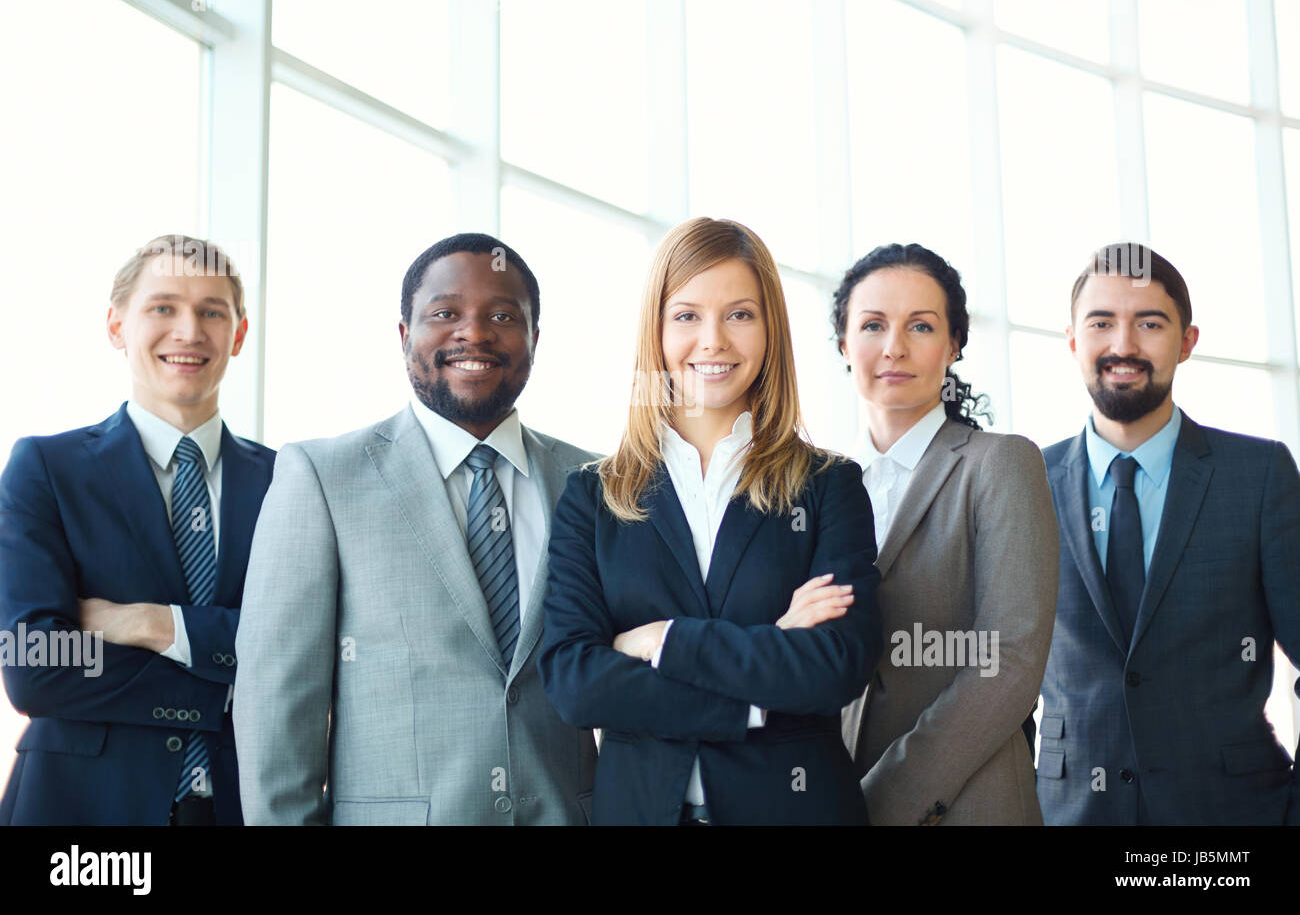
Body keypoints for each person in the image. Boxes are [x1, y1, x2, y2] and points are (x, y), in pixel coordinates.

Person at [234, 233, 597, 825]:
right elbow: (277, 701)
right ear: (404, 335)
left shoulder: (596, 483)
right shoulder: (322, 478)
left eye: (503, 316)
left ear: (535, 337)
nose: (474, 333)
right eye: (445, 313)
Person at [539, 217, 882, 825]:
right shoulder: (593, 496)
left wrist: (659, 641)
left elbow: (835, 668)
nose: (713, 340)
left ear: (770, 329)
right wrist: (767, 660)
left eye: (740, 314)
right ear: (656, 331)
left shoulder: (829, 485)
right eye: (687, 315)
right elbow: (575, 683)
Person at [0, 235, 274, 825]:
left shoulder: (291, 483)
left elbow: (313, 649)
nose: (188, 331)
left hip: (244, 808)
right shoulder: (48, 469)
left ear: (239, 335)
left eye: (211, 312)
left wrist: (149, 624)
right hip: (79, 814)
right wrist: (229, 683)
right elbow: (35, 665)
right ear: (116, 326)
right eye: (163, 307)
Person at [1038, 242, 1300, 825]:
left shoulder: (1259, 476)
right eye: (1101, 323)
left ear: (1186, 342)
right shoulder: (1026, 482)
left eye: (1149, 323)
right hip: (1068, 813)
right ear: (1073, 340)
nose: (1123, 345)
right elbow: (996, 680)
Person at [834, 243, 1057, 825]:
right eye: (873, 325)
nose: (894, 347)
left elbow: (1009, 660)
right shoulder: (816, 487)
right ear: (844, 344)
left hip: (966, 803)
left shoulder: (1000, 463)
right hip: (831, 796)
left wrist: (881, 801)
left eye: (921, 326)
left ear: (954, 344)